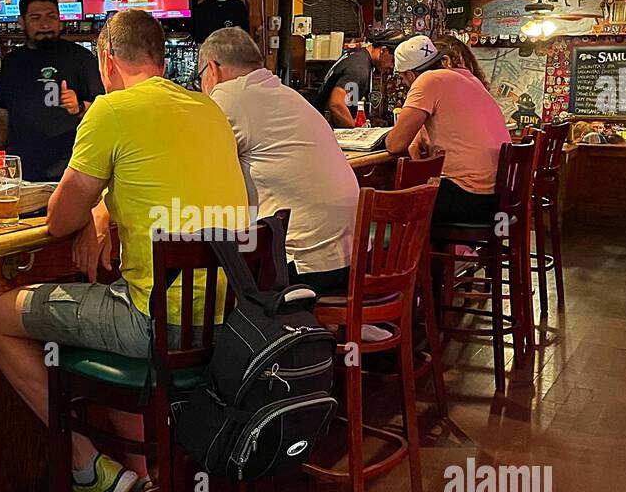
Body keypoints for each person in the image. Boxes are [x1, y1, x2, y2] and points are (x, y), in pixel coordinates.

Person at [0, 9, 248, 492]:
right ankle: (139, 483)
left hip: (157, 325)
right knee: (103, 309)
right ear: (164, 59)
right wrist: (104, 212)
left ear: (107, 61)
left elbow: (58, 219)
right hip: (225, 322)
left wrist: (91, 212)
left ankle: (92, 475)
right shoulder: (208, 109)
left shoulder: (110, 110)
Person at [199, 27, 358, 295]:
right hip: (351, 261)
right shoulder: (286, 94)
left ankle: (239, 336)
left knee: (206, 259)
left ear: (213, 70)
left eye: (200, 76)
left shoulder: (228, 96)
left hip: (302, 269)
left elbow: (196, 167)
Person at [385, 33, 511, 227]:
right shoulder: (469, 79)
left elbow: (395, 144)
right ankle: (436, 257)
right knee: (420, 192)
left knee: (393, 207)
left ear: (410, 74)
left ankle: (402, 258)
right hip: (498, 198)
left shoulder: (427, 81)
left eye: (402, 78)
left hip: (469, 197)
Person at [0, 0, 104, 181]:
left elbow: (103, 111)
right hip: (21, 171)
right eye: (36, 18)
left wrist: (78, 107)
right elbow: (2, 115)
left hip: (72, 170)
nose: (45, 24)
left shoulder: (80, 57)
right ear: (22, 22)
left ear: (60, 20)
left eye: (51, 16)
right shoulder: (12, 62)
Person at [311, 29, 405, 128]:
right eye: (393, 61)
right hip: (323, 128)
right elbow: (336, 104)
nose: (392, 66)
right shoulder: (359, 69)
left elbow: (349, 100)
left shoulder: (357, 55)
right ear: (383, 50)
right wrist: (354, 128)